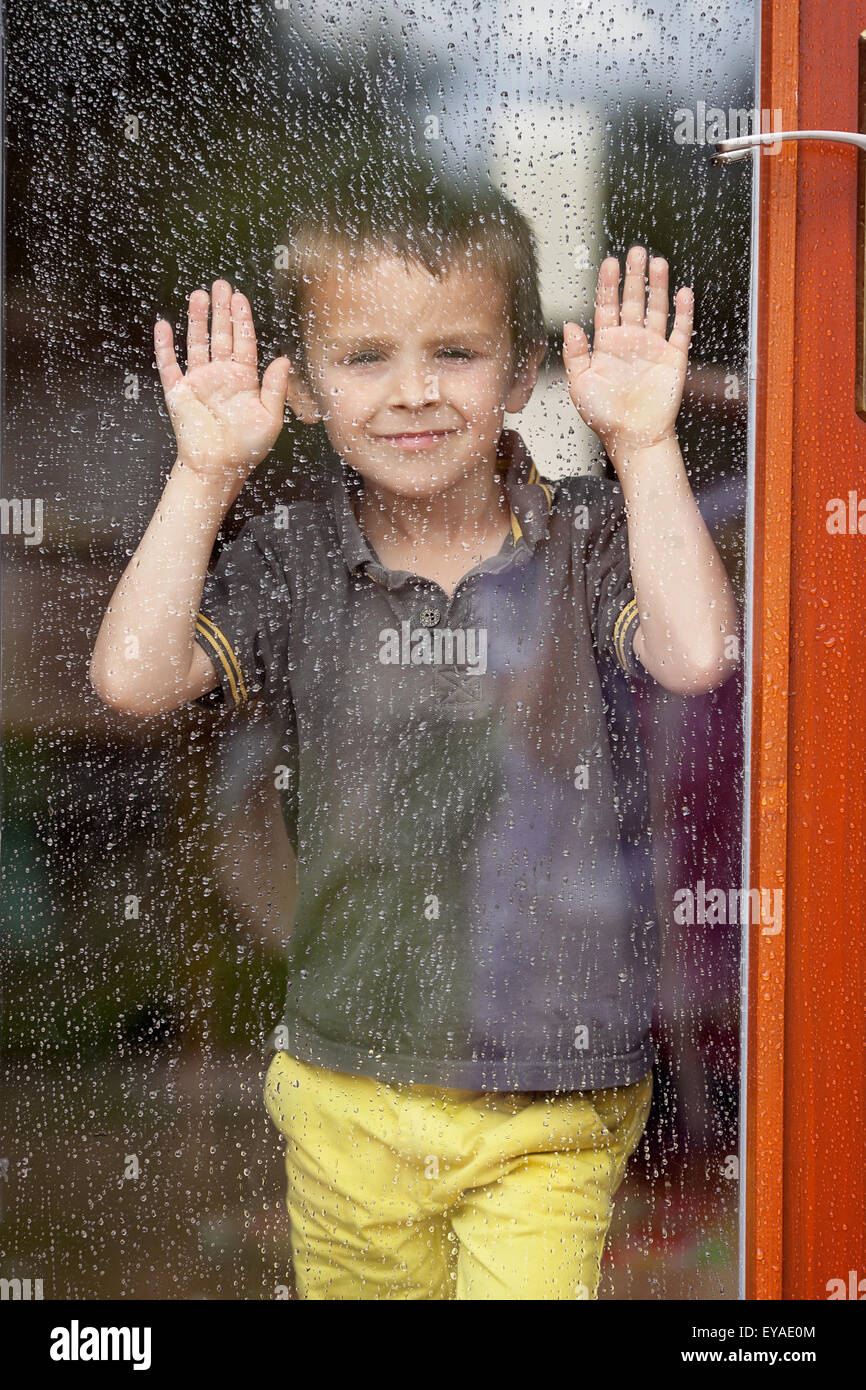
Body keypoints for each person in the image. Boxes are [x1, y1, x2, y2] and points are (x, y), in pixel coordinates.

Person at [88, 153, 739, 1300]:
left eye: (455, 351)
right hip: (348, 1085)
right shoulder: (294, 555)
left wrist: (642, 444)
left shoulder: (582, 540)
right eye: (364, 356)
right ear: (303, 389)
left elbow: (693, 651)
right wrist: (201, 474)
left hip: (551, 1086)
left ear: (524, 371)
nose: (412, 391)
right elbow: (134, 678)